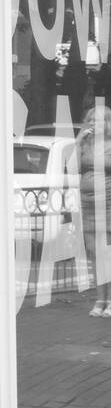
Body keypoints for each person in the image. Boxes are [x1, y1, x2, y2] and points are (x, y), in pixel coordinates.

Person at [77, 104, 111, 315]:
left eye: (97, 120)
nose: (93, 124)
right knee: (97, 255)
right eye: (90, 120)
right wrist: (79, 141)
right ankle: (100, 300)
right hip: (88, 205)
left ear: (107, 123)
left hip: (108, 203)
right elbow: (72, 166)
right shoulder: (85, 143)